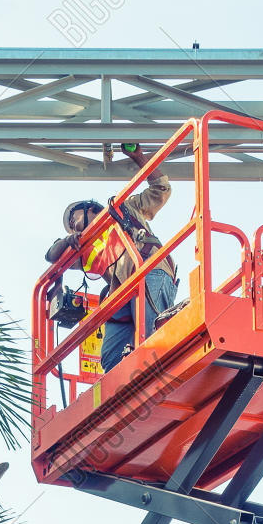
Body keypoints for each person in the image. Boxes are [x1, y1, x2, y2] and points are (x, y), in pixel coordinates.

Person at [45, 145, 178, 373]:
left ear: (90, 208)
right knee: (110, 359)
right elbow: (51, 256)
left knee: (154, 337)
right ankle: (125, 396)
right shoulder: (82, 246)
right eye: (69, 226)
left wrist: (138, 156)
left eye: (72, 217)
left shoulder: (122, 208)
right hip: (122, 294)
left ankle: (164, 374)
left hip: (150, 272)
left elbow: (161, 188)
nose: (71, 225)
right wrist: (68, 241)